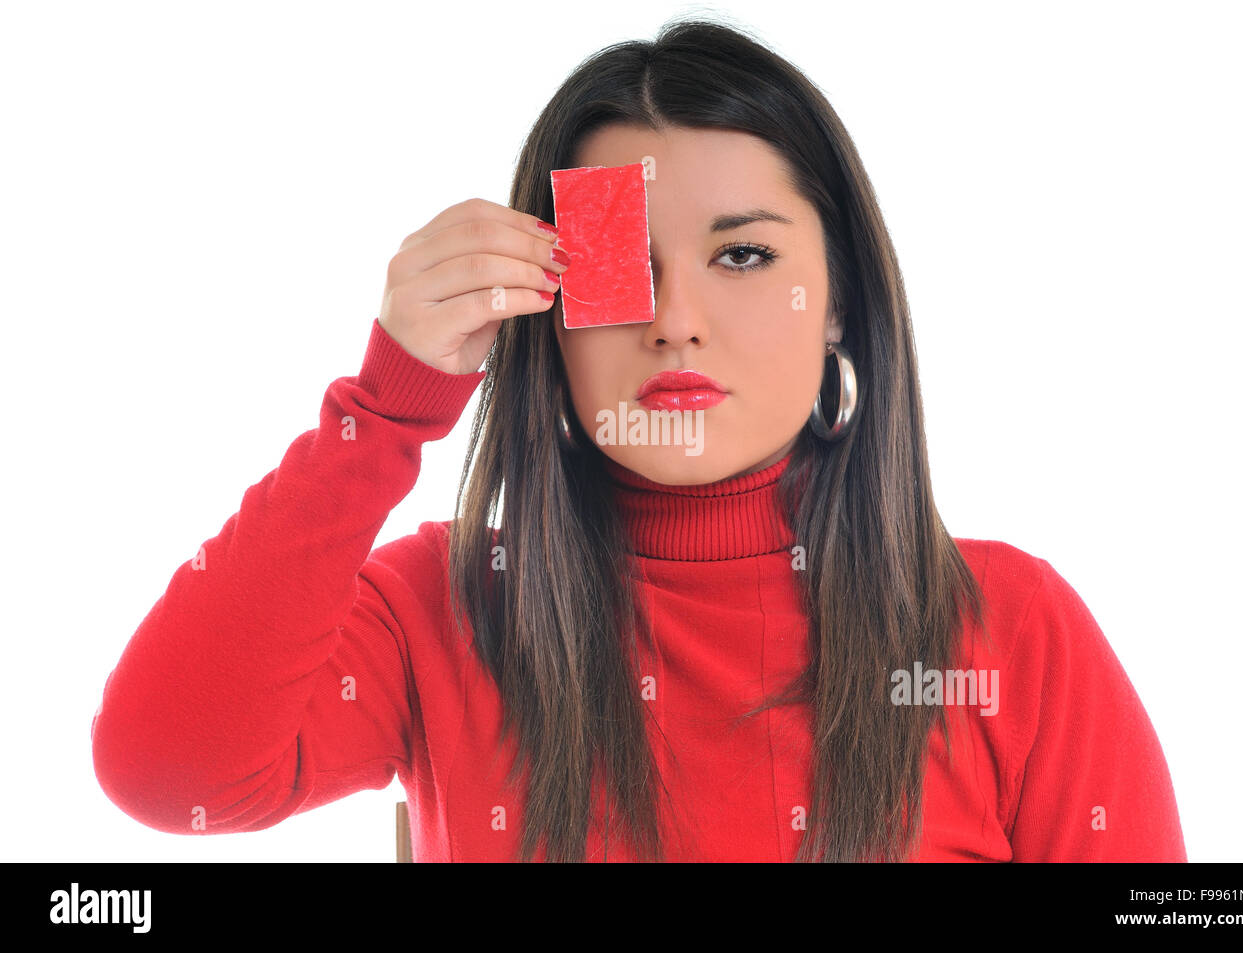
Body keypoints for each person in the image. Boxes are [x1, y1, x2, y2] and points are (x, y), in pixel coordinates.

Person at [91, 17, 1186, 862]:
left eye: (744, 255)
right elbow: (162, 764)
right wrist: (385, 410)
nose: (674, 319)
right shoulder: (444, 607)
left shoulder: (1007, 631)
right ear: (545, 303)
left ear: (841, 298)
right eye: (621, 265)